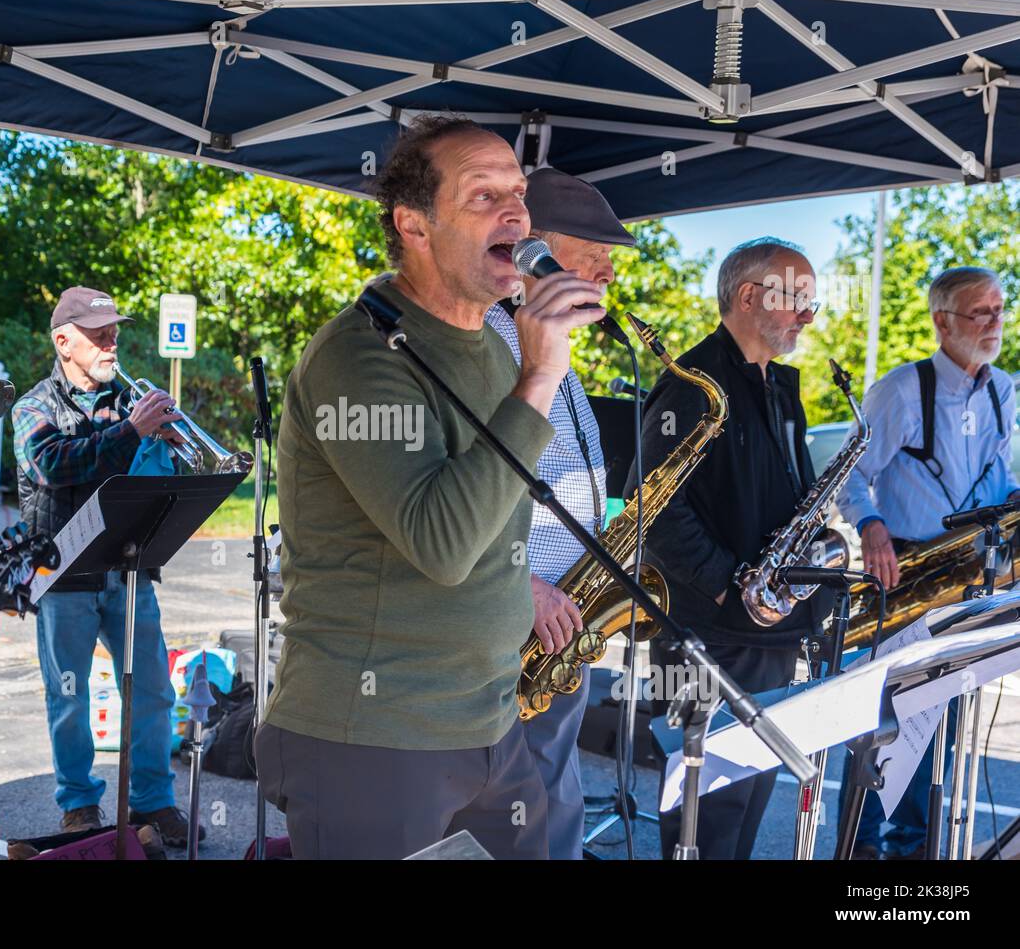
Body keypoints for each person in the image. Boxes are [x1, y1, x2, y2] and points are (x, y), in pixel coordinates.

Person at [255, 115, 603, 859]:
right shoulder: (357, 358)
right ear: (414, 224)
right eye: (485, 196)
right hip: (374, 736)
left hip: (489, 724)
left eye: (519, 193)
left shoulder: (486, 343)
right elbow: (442, 543)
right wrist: (540, 376)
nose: (517, 213)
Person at [632, 237, 831, 859]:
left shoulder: (780, 388)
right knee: (704, 826)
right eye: (797, 298)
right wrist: (727, 585)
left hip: (766, 633)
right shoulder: (692, 384)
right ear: (749, 296)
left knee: (742, 821)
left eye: (812, 302)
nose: (808, 315)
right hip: (707, 634)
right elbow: (656, 509)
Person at [836, 265, 1018, 859]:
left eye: (999, 309)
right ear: (942, 321)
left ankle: (915, 858)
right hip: (909, 572)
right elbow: (849, 476)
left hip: (971, 572)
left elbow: (1003, 475)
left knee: (940, 727)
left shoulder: (1004, 388)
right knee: (883, 723)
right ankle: (858, 855)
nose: (994, 323)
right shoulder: (900, 390)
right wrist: (872, 528)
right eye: (980, 312)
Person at [12, 286, 203, 848]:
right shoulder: (33, 408)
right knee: (67, 696)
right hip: (63, 570)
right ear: (63, 341)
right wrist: (133, 432)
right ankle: (78, 805)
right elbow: (55, 464)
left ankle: (154, 801)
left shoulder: (128, 403)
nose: (111, 341)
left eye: (114, 331)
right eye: (99, 334)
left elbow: (152, 488)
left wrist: (165, 446)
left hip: (127, 567)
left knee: (151, 691)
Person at [483, 167, 636, 859]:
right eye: (593, 248)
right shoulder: (485, 342)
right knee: (508, 805)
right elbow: (468, 488)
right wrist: (522, 586)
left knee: (554, 792)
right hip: (517, 615)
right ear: (534, 248)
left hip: (566, 612)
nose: (608, 266)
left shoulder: (556, 348)